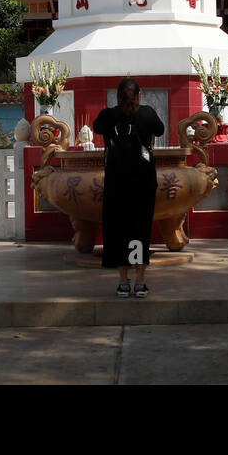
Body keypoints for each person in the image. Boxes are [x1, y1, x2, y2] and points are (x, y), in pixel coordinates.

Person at [93, 78, 164, 297]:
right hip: (143, 182)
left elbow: (96, 128)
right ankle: (140, 282)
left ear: (117, 97)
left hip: (116, 182)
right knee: (139, 230)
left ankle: (123, 282)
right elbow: (160, 130)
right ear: (139, 96)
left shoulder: (107, 115)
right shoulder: (147, 113)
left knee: (117, 231)